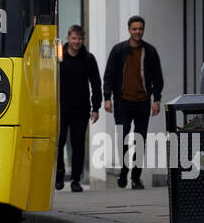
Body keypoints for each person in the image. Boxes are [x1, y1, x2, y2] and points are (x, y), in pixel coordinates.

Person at [102, 15, 163, 189]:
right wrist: (107, 98)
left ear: (143, 30)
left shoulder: (150, 51)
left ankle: (136, 177)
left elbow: (157, 78)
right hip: (122, 102)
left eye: (140, 29)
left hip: (142, 102)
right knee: (123, 138)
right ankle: (123, 170)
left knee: (140, 140)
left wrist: (156, 99)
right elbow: (109, 75)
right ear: (129, 30)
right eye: (134, 29)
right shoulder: (118, 50)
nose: (138, 32)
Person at [57, 25, 102, 192]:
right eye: (74, 38)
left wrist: (95, 107)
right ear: (68, 38)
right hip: (60, 108)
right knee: (58, 143)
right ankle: (59, 175)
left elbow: (96, 84)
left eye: (80, 39)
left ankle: (76, 179)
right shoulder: (58, 56)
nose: (77, 42)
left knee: (78, 145)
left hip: (81, 109)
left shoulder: (88, 59)